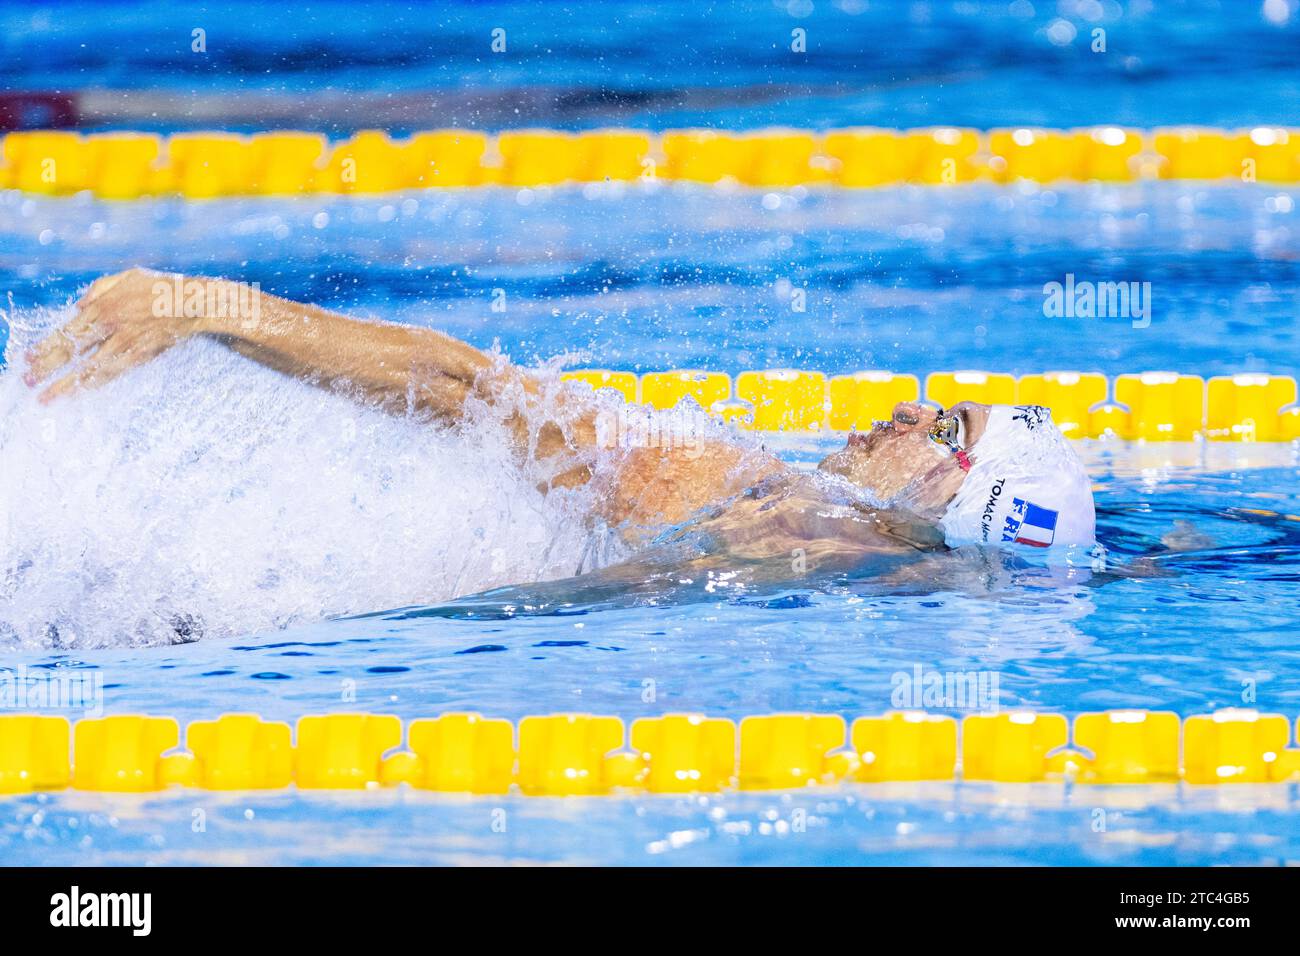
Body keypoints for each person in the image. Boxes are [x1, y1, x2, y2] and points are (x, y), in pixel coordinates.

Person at [23, 268, 1096, 587]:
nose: (909, 405)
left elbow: (462, 387)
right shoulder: (848, 567)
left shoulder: (738, 490)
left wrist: (213, 308)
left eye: (945, 420)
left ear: (948, 486)